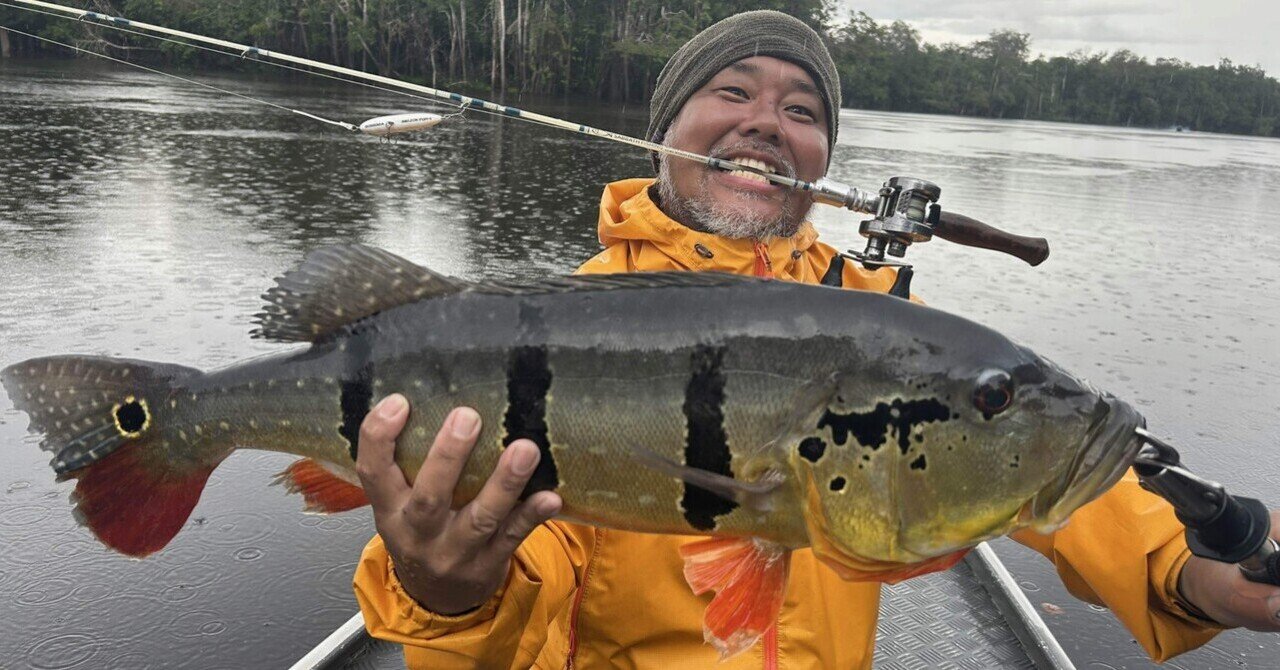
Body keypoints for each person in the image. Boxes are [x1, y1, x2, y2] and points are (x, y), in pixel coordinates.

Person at [350, 11, 1280, 668]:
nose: (766, 121)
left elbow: (1047, 474)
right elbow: (524, 600)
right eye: (732, 91)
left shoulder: (889, 334)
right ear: (664, 132)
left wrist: (1191, 574)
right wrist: (449, 591)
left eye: (803, 111)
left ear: (824, 161)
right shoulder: (564, 325)